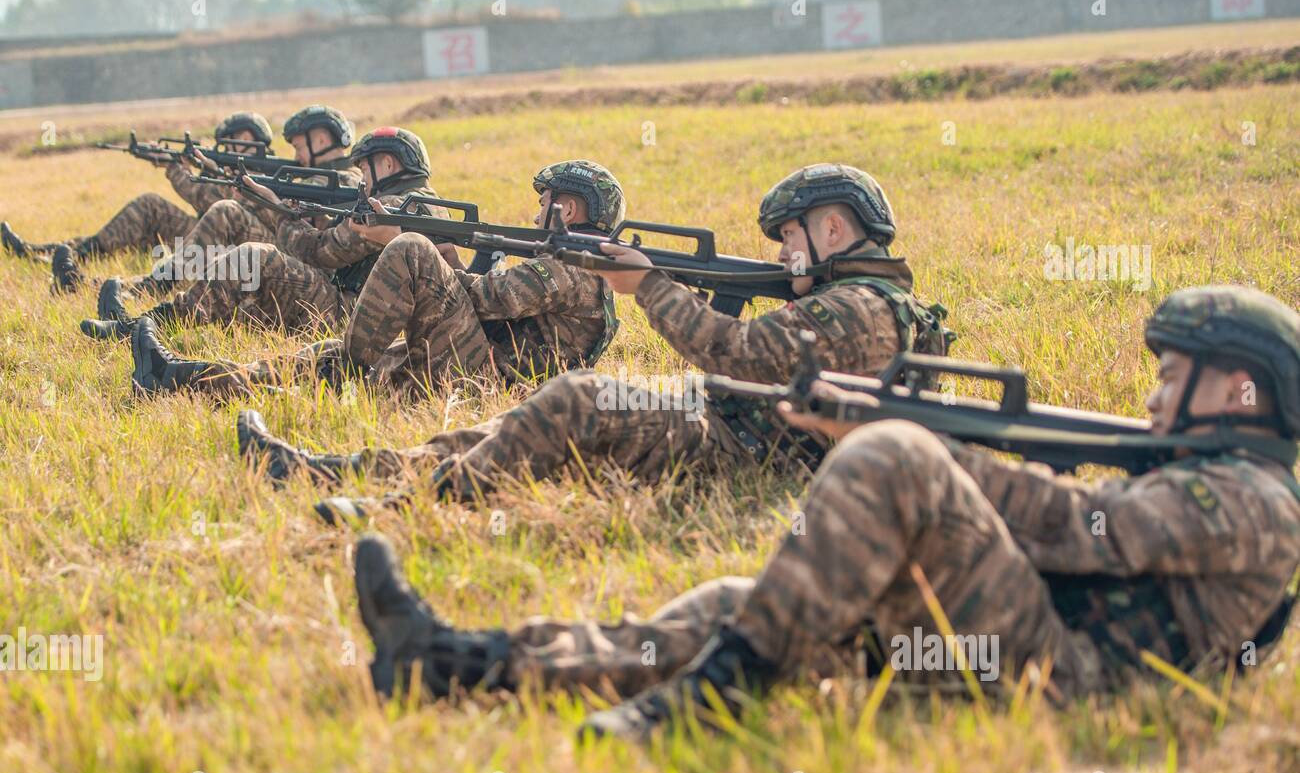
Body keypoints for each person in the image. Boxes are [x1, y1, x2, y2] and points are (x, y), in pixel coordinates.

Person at [345, 283, 1300, 740]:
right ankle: (456, 663)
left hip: (1074, 679)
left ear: (1235, 388)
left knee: (894, 455)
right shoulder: (1207, 474)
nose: (1150, 400)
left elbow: (1081, 534)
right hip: (1015, 641)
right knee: (737, 599)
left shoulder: (1260, 500)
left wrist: (924, 450)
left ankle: (710, 700)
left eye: (1169, 378)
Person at [234, 164, 951, 525]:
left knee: (574, 401)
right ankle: (343, 469)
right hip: (737, 425)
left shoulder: (860, 307)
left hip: (752, 448)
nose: (788, 254)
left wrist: (650, 286)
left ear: (831, 230)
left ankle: (403, 507)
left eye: (791, 237)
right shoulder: (862, 302)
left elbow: (738, 351)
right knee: (519, 423)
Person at [125, 160, 624, 398]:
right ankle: (182, 379)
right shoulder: (576, 267)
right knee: (316, 360)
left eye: (545, 203)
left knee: (409, 252)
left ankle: (347, 369)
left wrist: (418, 248)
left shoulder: (572, 269)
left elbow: (485, 299)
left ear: (570, 208)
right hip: (476, 362)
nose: (536, 213)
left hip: (482, 380)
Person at [79, 125, 439, 344]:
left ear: (388, 164)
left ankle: (154, 321)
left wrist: (276, 207)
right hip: (352, 307)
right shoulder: (420, 204)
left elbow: (317, 252)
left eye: (366, 169)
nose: (362, 179)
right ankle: (154, 309)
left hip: (349, 313)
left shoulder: (390, 206)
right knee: (242, 283)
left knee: (254, 258)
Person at [0, 111, 273, 293]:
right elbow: (206, 204)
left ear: (261, 143)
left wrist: (175, 169)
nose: (235, 148)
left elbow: (212, 201)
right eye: (230, 143)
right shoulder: (232, 170)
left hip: (235, 249)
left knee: (170, 267)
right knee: (149, 205)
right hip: (209, 234)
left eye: (243, 142)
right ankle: (65, 251)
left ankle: (107, 287)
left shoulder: (266, 175)